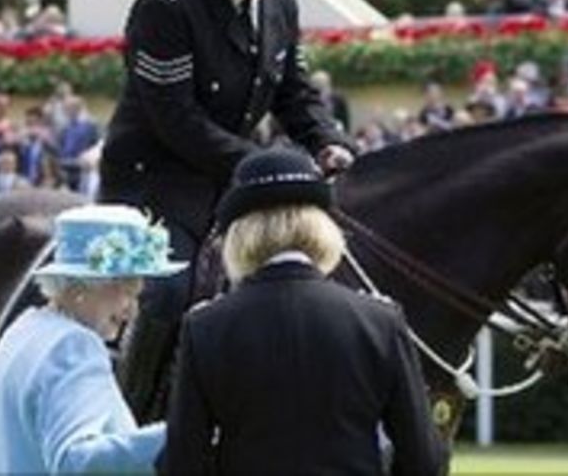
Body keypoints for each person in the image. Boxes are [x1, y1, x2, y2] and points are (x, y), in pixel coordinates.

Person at [99, 0, 356, 421]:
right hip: (156, 181)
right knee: (168, 290)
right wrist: (260, 165)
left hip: (231, 183)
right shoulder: (166, 6)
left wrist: (329, 142)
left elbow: (295, 92)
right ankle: (128, 414)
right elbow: (175, 118)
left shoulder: (280, 3)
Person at [161, 147, 447, 475]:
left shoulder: (205, 326)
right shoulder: (379, 320)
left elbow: (183, 462)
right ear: (321, 226)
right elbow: (424, 459)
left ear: (239, 234)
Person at [0, 204, 187, 474]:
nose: (132, 312)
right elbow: (76, 462)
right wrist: (182, 434)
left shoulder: (22, 329)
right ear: (82, 285)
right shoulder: (72, 346)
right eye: (126, 290)